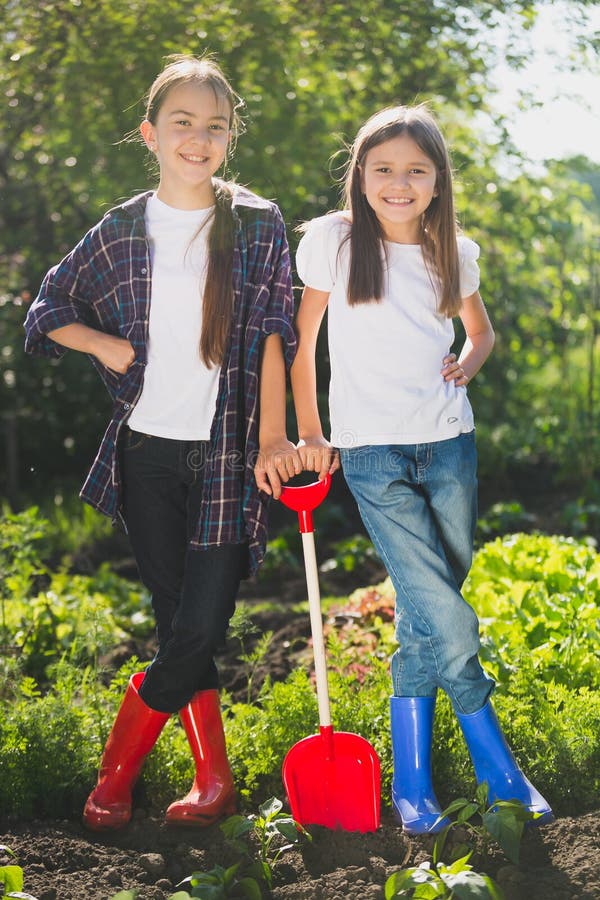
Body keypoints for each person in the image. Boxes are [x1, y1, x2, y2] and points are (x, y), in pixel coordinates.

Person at [24, 55, 302, 831]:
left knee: (200, 624)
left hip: (222, 456)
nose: (198, 138)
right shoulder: (119, 230)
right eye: (182, 122)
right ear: (150, 134)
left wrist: (272, 436)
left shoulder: (256, 223)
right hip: (144, 453)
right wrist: (104, 348)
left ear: (229, 138)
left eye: (215, 126)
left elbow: (277, 334)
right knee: (178, 617)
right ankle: (214, 782)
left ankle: (117, 775)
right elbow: (45, 310)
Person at [290, 104, 553, 834]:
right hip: (372, 452)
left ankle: (411, 783)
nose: (398, 183)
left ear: (438, 182)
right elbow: (300, 341)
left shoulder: (454, 253)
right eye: (383, 169)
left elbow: (481, 332)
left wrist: (466, 364)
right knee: (445, 611)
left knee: (425, 615)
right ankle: (498, 764)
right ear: (360, 177)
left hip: (449, 447)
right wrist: (309, 430)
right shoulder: (334, 243)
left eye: (415, 170)